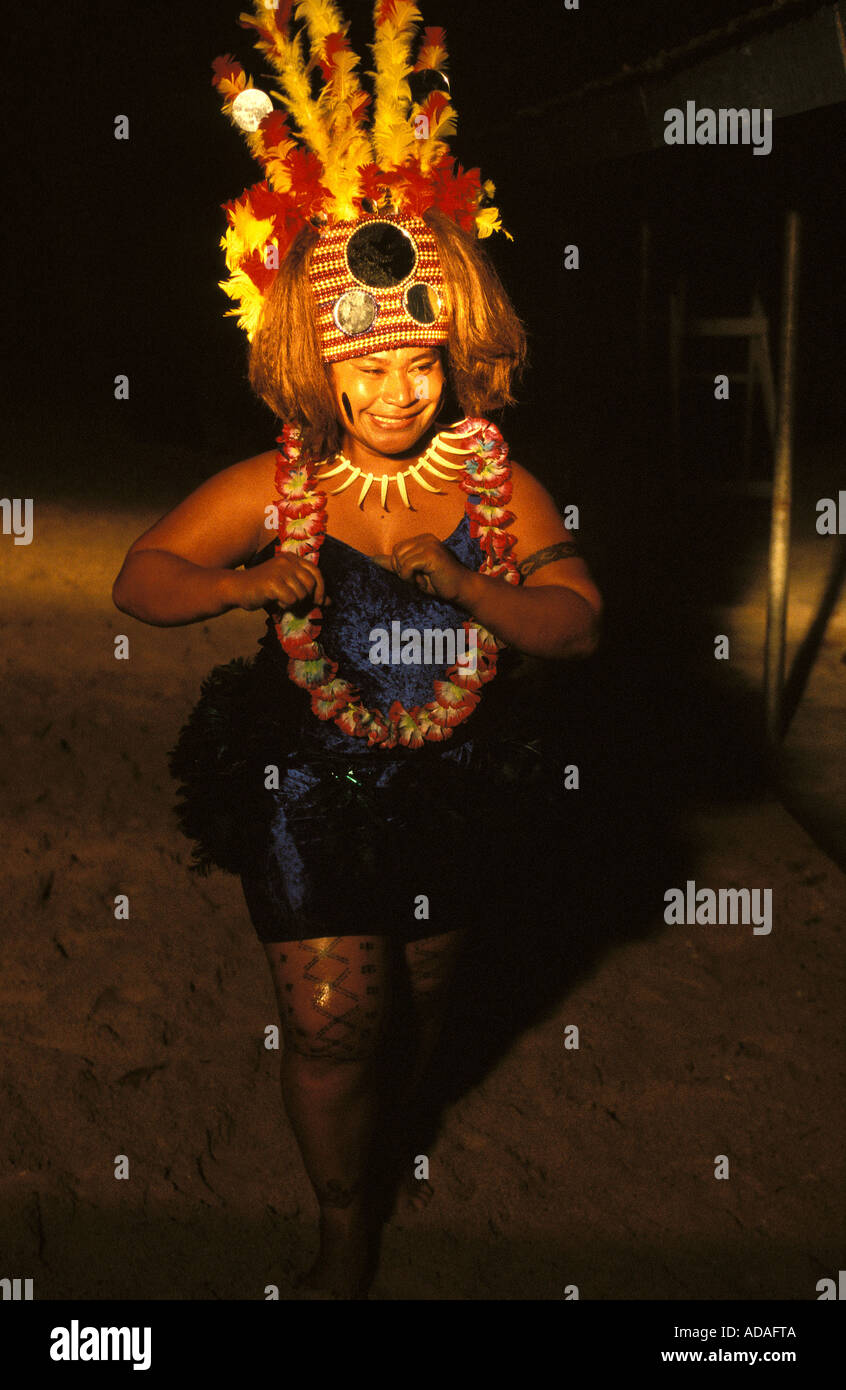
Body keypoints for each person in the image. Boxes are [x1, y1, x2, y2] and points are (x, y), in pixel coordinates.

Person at [112, 0, 602, 1298]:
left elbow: (578, 617)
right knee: (333, 1020)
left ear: (458, 346)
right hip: (304, 790)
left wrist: (464, 582)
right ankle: (345, 1229)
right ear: (312, 358)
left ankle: (391, 1140)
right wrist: (248, 583)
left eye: (419, 359)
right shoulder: (279, 484)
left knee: (421, 1006)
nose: (394, 389)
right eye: (363, 359)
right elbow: (140, 575)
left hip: (456, 782)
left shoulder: (498, 485)